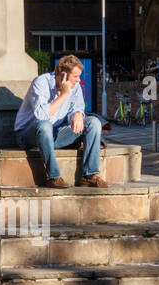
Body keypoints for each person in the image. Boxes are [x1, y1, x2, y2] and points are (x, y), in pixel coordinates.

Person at [14, 54, 107, 188]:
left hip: (55, 133)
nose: (79, 80)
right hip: (28, 135)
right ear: (63, 75)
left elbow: (78, 107)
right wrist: (64, 94)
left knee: (93, 122)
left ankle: (89, 176)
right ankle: (53, 177)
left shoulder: (75, 87)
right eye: (75, 76)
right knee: (45, 125)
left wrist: (78, 114)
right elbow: (41, 115)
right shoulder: (41, 83)